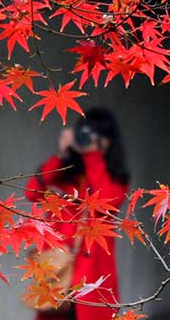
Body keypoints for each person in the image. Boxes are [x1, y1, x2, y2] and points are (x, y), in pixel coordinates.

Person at [25, 107, 131, 320]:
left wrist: (92, 155)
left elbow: (104, 202)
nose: (90, 140)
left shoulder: (117, 179)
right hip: (58, 268)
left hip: (92, 273)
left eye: (99, 136)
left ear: (110, 141)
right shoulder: (63, 173)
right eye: (86, 133)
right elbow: (31, 192)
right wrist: (62, 155)